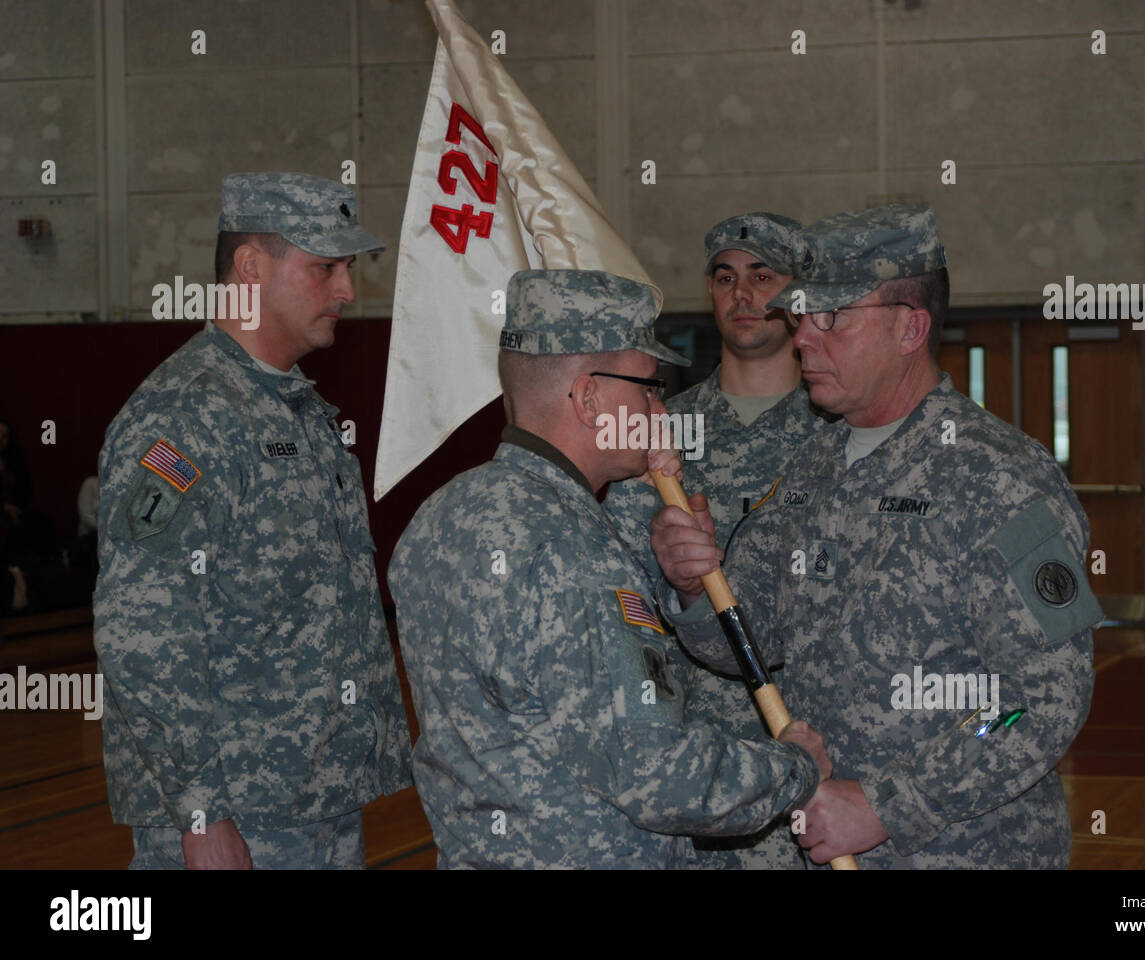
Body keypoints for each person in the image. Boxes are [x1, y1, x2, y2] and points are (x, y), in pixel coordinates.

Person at [651, 203, 1099, 868]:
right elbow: (755, 637)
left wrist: (890, 802)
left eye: (833, 318)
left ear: (910, 328)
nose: (804, 337)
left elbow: (1037, 700)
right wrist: (692, 589)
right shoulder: (812, 467)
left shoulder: (1001, 478)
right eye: (803, 317)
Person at [388, 268, 832, 869]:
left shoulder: (437, 518)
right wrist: (794, 768)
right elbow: (657, 774)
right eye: (649, 387)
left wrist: (652, 485)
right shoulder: (570, 550)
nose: (660, 407)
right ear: (589, 396)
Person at [94, 172, 412, 870]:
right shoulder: (186, 416)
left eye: (349, 269)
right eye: (325, 268)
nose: (347, 292)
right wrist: (201, 809)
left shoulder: (292, 408)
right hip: (232, 813)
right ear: (249, 267)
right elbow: (142, 627)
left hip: (310, 803)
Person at [604, 212, 829, 869]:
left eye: (763, 276)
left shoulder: (835, 434)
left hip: (812, 745)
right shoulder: (658, 434)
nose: (742, 294)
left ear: (797, 296)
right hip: (695, 761)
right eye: (725, 277)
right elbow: (621, 591)